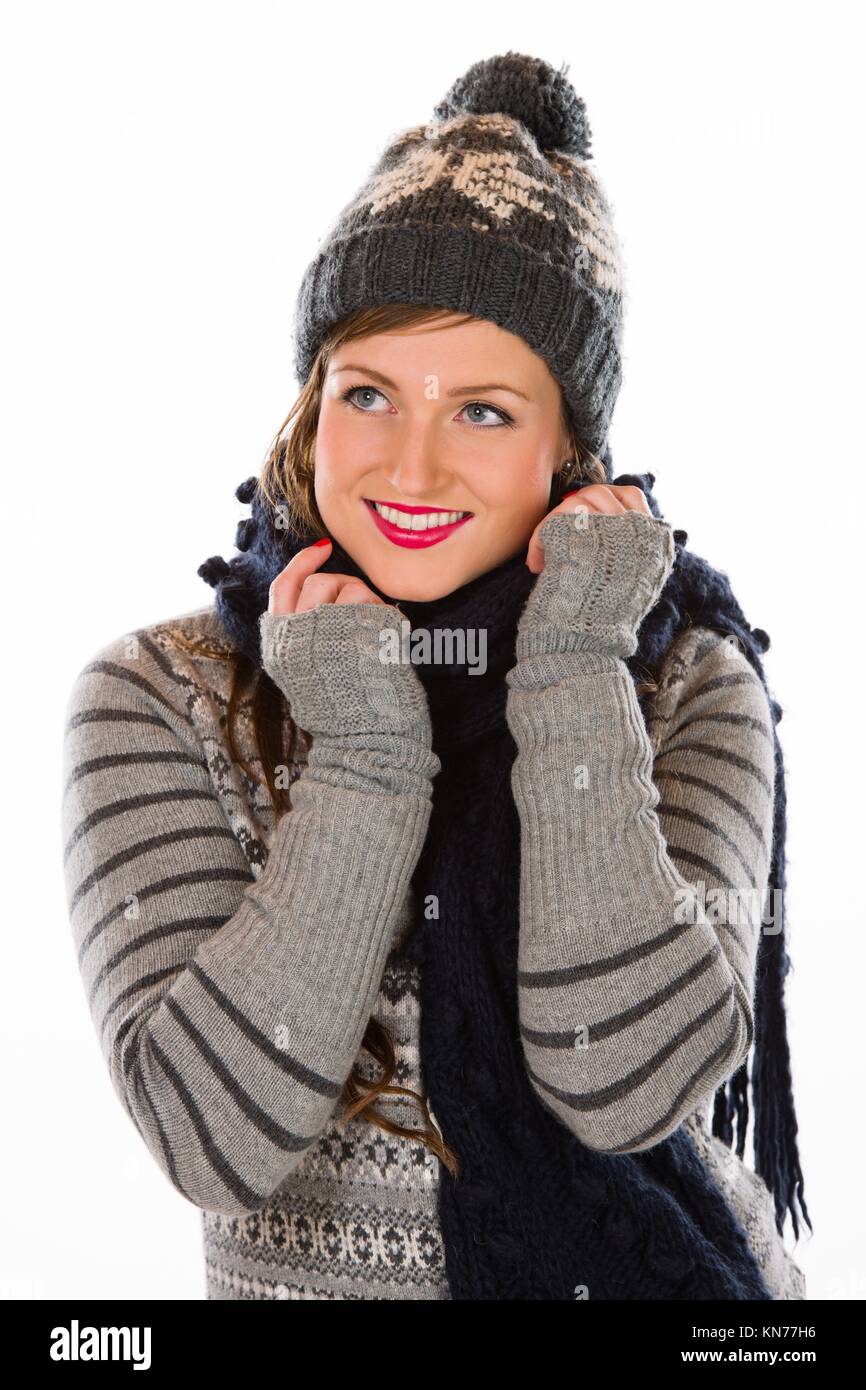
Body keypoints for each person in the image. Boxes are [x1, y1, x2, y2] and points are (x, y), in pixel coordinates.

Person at [61, 51, 809, 1300]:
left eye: (482, 410)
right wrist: (364, 753)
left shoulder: (684, 683)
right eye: (369, 392)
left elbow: (624, 1083)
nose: (410, 467)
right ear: (311, 405)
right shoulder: (161, 695)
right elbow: (211, 1136)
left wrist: (572, 660)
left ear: (571, 447)